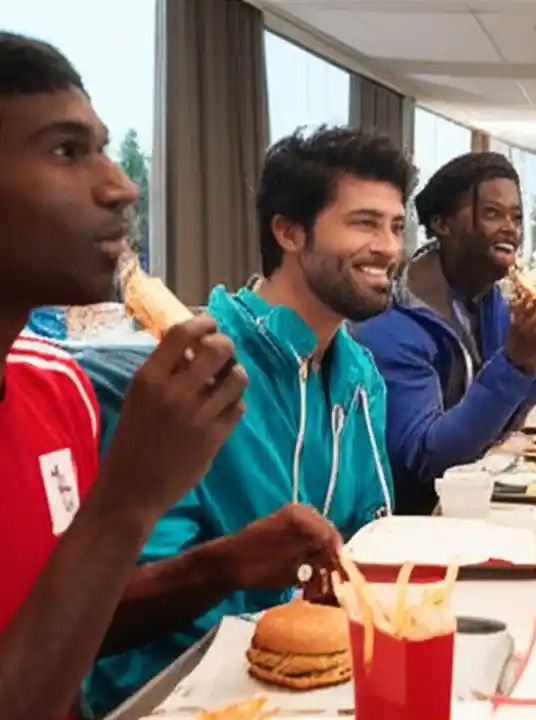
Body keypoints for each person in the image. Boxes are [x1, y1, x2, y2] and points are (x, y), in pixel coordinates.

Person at [79, 126, 411, 715]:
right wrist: (235, 564)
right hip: (180, 691)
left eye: (395, 225)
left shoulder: (361, 375)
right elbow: (116, 606)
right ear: (288, 232)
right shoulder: (192, 369)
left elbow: (367, 542)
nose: (388, 247)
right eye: (364, 223)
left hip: (318, 687)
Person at [0, 32, 246, 719]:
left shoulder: (58, 391)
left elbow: (66, 624)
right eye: (66, 151)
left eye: (103, 148)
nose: (122, 184)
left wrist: (224, 565)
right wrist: (129, 498)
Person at [356, 152, 536, 514]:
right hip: (415, 525)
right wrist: (517, 363)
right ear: (442, 224)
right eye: (492, 214)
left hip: (472, 503)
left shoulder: (489, 301)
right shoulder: (391, 324)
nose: (510, 229)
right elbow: (427, 459)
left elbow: (505, 422)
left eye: (517, 217)